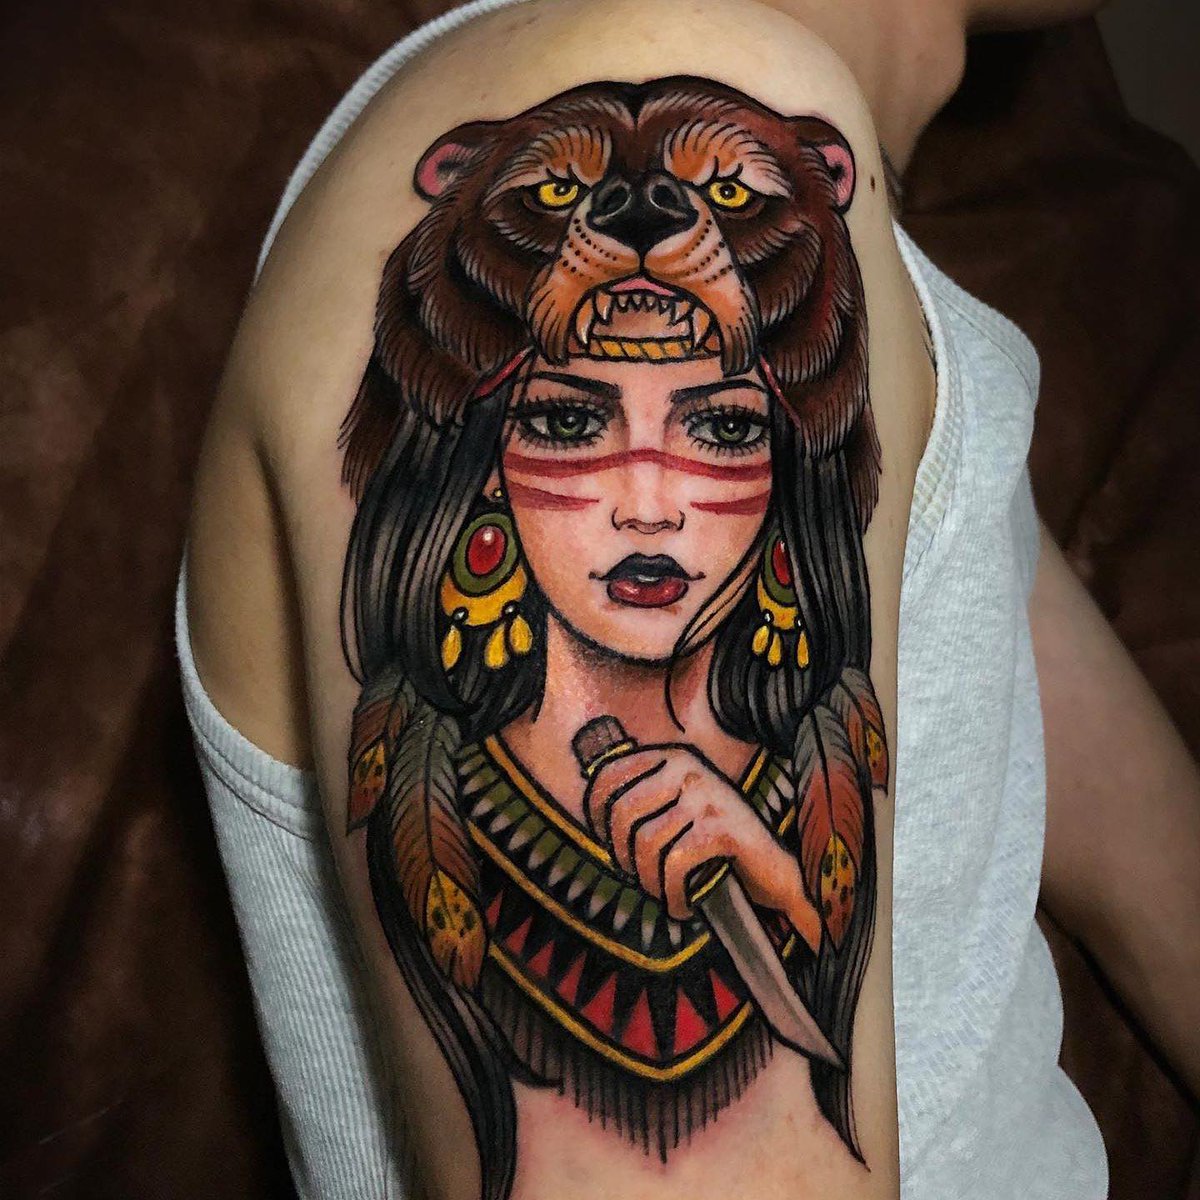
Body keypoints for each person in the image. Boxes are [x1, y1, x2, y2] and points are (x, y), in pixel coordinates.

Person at [179, 0, 1199, 1197]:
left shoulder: (858, 295)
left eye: (721, 430)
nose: (651, 507)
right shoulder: (672, 74)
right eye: (570, 425)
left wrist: (787, 898)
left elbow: (1083, 778)